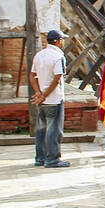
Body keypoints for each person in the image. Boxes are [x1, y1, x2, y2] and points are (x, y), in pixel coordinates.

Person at [31, 29, 70, 168]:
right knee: (54, 130)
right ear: (58, 41)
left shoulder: (39, 55)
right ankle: (52, 158)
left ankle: (40, 158)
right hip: (53, 98)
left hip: (42, 99)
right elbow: (57, 79)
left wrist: (38, 93)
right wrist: (45, 95)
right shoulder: (58, 57)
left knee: (41, 129)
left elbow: (32, 75)